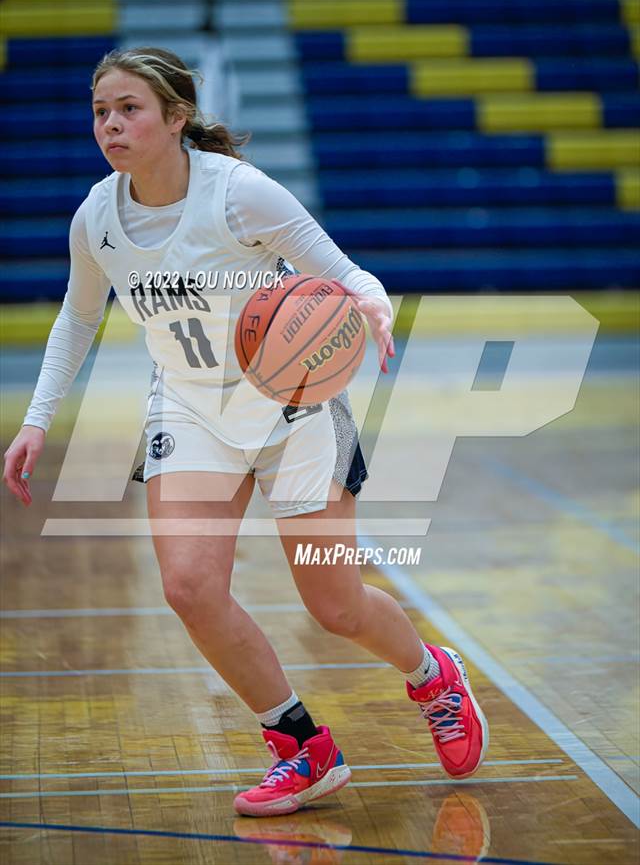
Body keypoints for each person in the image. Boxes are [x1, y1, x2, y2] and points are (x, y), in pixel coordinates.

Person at [2, 47, 488, 817]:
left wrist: (371, 306)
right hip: (191, 409)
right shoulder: (96, 216)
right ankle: (302, 748)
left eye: (129, 108)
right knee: (189, 586)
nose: (111, 125)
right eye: (101, 110)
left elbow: (345, 270)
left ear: (175, 117)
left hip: (293, 408)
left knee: (335, 606)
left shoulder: (240, 196)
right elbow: (78, 316)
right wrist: (35, 421)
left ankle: (433, 675)